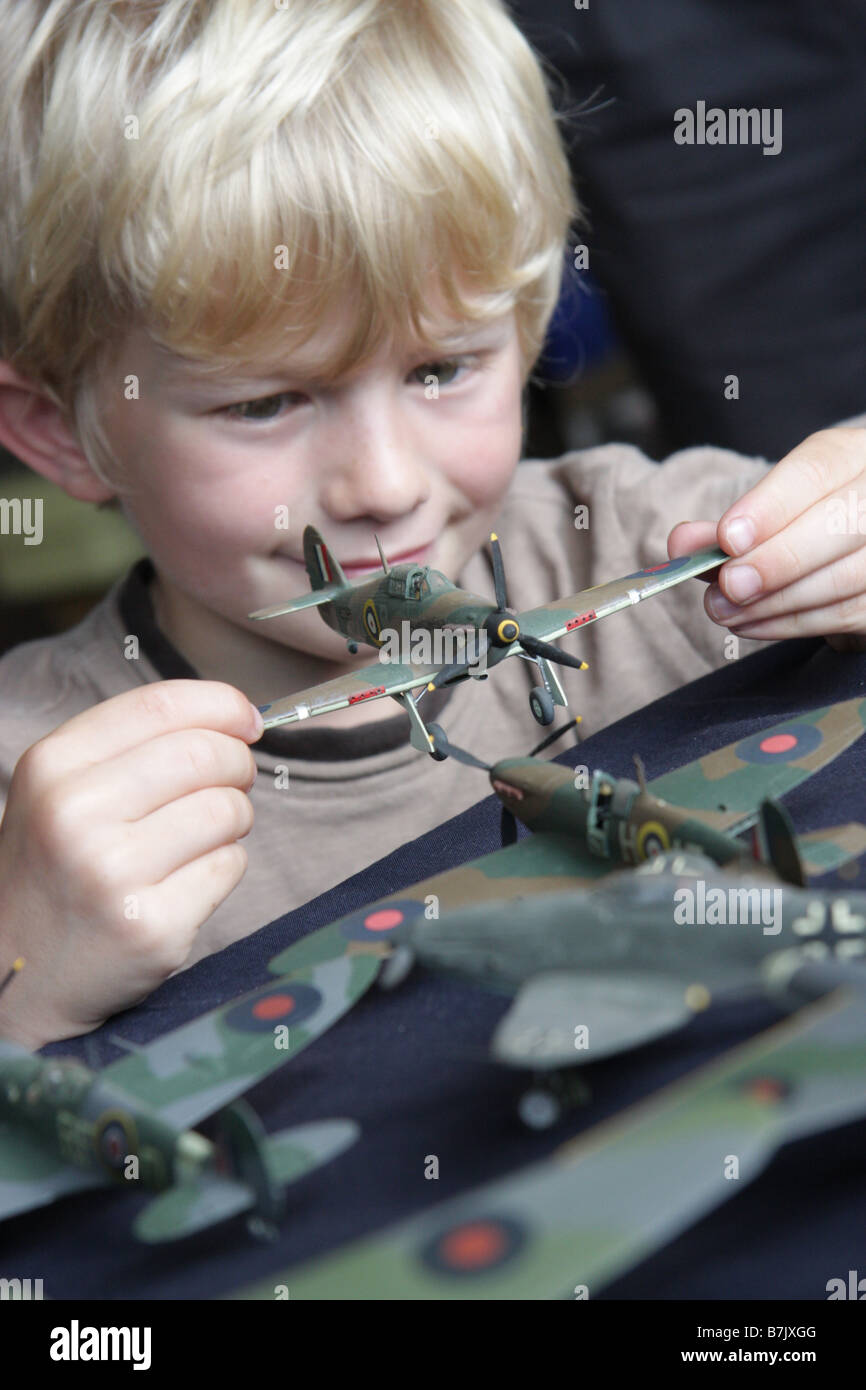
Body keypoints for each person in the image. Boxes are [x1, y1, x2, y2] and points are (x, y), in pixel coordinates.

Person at [0, 0, 862, 1049]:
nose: (382, 483)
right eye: (263, 402)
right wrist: (30, 989)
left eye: (440, 368)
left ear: (529, 325)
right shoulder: (32, 800)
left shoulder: (672, 547)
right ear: (59, 432)